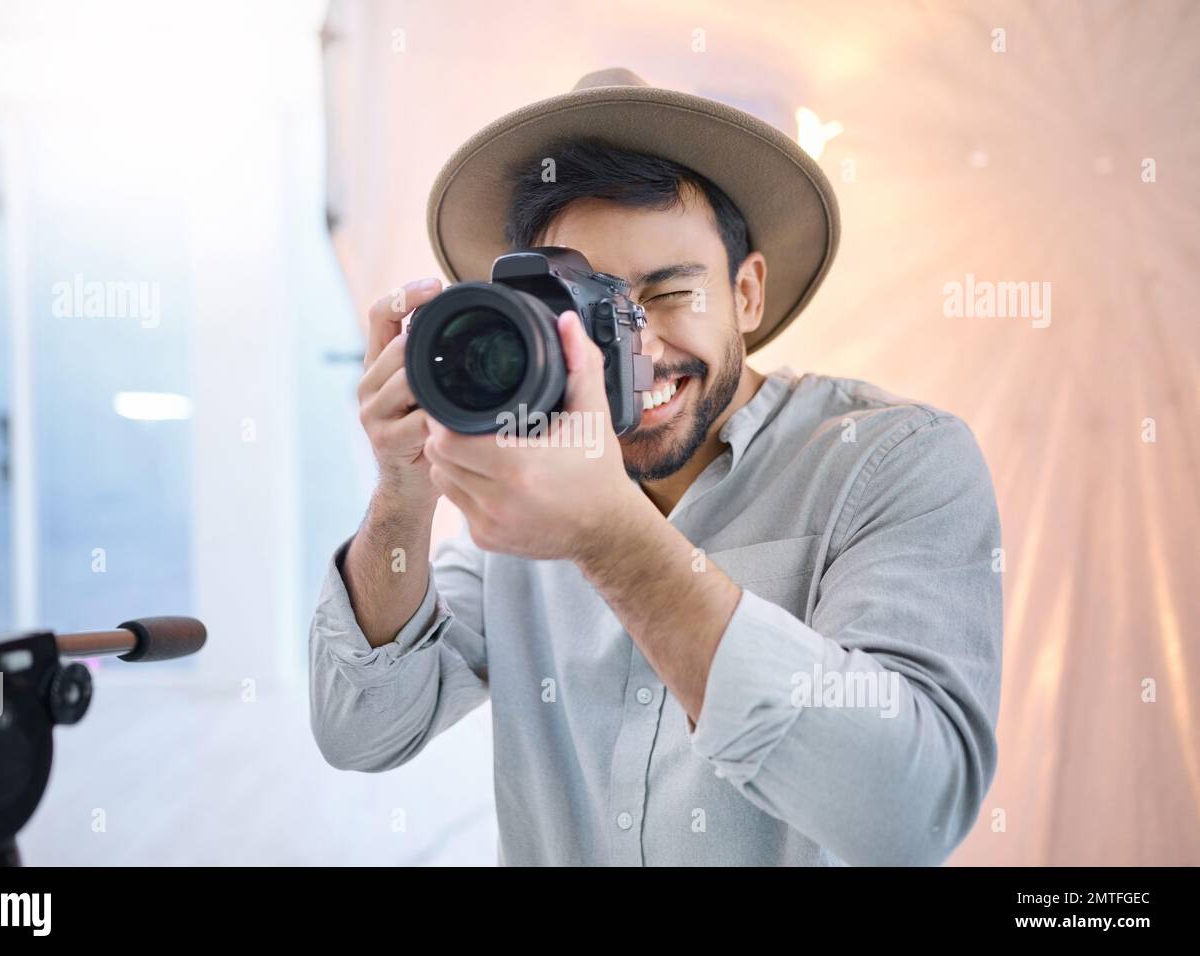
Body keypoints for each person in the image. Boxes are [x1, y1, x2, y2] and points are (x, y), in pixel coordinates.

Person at [310, 69, 1003, 866]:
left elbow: (910, 814)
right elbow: (361, 731)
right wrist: (404, 488)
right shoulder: (528, 492)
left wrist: (612, 539)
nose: (632, 350)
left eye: (667, 295)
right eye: (589, 315)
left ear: (747, 294)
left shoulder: (892, 462)